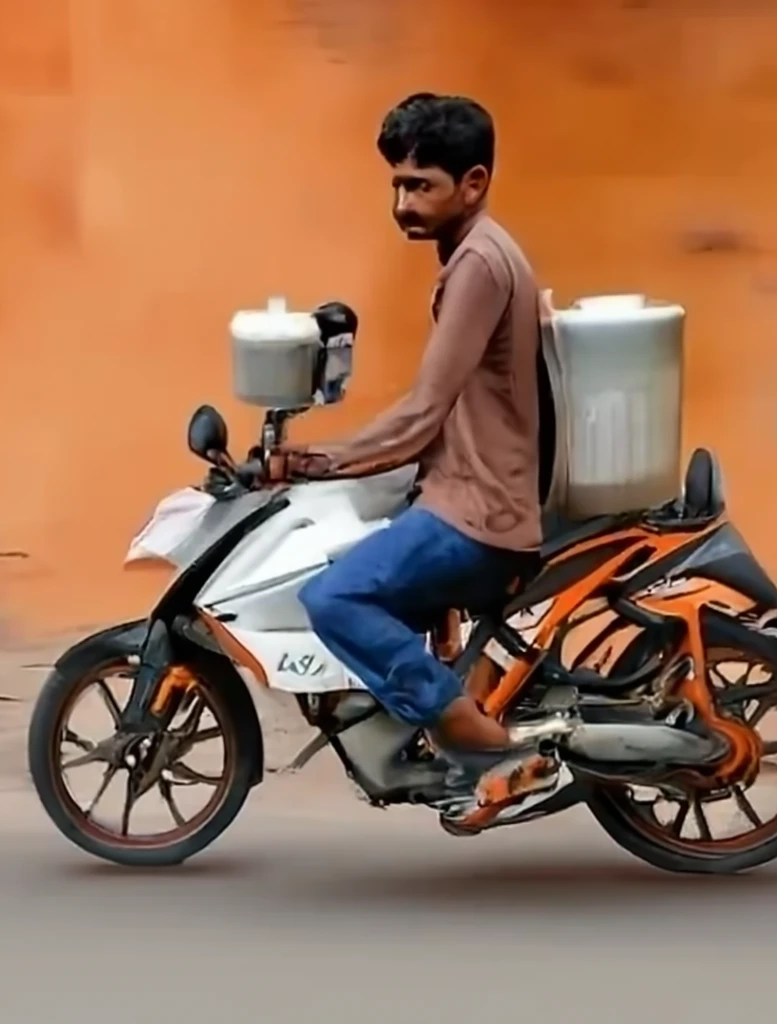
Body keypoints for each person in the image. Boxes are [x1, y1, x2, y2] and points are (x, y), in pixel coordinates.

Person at [291, 93, 567, 818]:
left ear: (472, 183)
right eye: (397, 185)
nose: (403, 202)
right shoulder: (479, 250)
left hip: (479, 510)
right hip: (466, 492)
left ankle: (469, 735)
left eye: (421, 186)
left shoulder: (478, 263)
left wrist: (320, 460)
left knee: (334, 596)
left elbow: (422, 411)